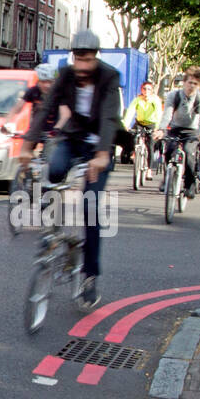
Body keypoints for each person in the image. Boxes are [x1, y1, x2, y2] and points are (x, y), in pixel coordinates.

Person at [20, 28, 121, 310]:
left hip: (99, 145)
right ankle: (52, 234)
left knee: (91, 207)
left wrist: (102, 155)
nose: (82, 66)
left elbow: (109, 116)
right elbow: (46, 108)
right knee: (53, 172)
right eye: (78, 59)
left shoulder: (109, 76)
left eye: (88, 60)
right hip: (74, 139)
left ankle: (90, 276)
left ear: (96, 58)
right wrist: (28, 145)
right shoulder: (65, 75)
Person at [155, 65, 200, 200]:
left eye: (195, 83)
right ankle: (167, 178)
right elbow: (167, 114)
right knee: (169, 151)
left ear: (198, 85)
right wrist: (162, 130)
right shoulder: (174, 95)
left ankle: (189, 185)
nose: (191, 86)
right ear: (184, 82)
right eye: (189, 82)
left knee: (189, 154)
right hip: (175, 128)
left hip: (192, 131)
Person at [122, 80, 162, 179]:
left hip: (151, 124)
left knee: (150, 145)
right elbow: (130, 111)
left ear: (152, 91)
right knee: (133, 136)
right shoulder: (137, 99)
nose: (146, 91)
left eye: (149, 89)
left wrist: (157, 128)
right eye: (144, 89)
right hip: (140, 123)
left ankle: (149, 170)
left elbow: (159, 114)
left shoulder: (155, 100)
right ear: (141, 89)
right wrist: (126, 124)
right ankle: (135, 152)